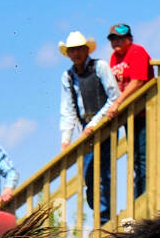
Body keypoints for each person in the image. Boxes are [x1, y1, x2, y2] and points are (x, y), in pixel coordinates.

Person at [58, 31, 120, 225]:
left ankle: (104, 219)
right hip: (85, 128)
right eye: (72, 50)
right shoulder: (68, 76)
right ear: (68, 53)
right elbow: (67, 108)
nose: (76, 53)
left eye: (79, 49)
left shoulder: (100, 67)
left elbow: (114, 96)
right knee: (89, 174)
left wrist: (94, 124)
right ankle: (100, 213)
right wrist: (66, 138)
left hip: (104, 125)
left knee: (104, 172)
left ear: (86, 50)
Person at [107, 23, 154, 200]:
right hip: (129, 114)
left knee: (143, 158)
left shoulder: (137, 51)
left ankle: (144, 197)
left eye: (120, 38)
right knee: (135, 158)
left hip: (144, 112)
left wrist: (117, 103)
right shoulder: (114, 57)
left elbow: (138, 81)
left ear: (129, 39)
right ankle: (138, 198)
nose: (116, 42)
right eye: (112, 39)